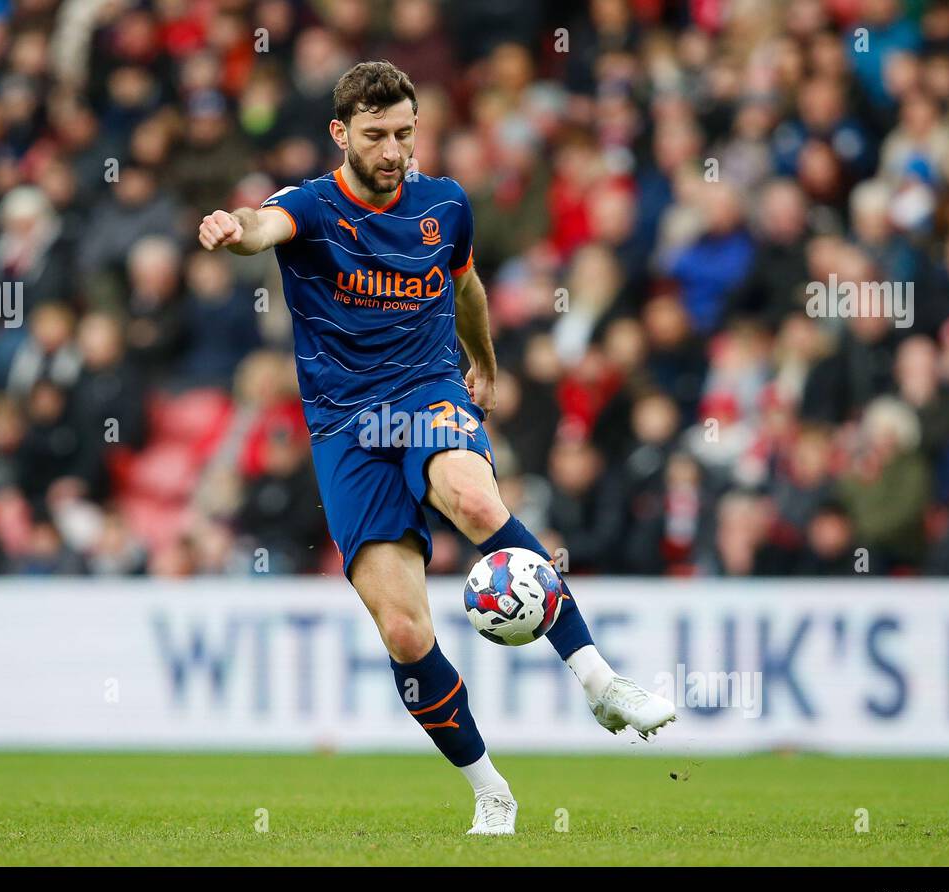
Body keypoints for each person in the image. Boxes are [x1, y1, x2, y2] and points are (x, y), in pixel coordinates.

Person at [199, 61, 674, 836]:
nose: (394, 151)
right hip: (346, 429)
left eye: (406, 134)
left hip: (427, 394)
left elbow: (466, 285)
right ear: (341, 133)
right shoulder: (311, 207)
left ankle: (599, 680)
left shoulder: (445, 203)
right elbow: (262, 227)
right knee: (405, 633)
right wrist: (234, 228)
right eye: (378, 135)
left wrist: (481, 360)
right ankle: (492, 791)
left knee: (479, 500)